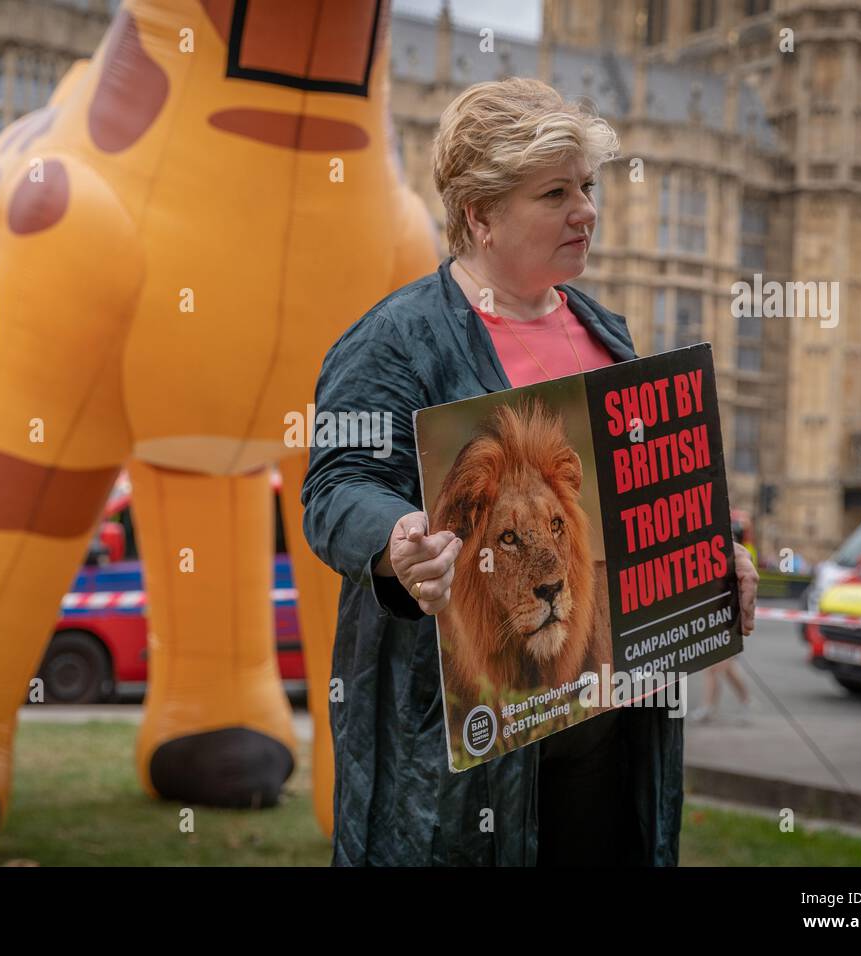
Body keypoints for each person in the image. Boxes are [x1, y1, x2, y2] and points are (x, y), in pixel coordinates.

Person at [301, 78, 759, 866]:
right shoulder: (395, 338)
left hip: (610, 736)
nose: (587, 210)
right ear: (479, 214)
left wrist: (721, 559)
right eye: (555, 193)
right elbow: (336, 486)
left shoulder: (603, 331)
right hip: (463, 756)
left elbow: (641, 504)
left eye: (587, 186)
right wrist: (399, 534)